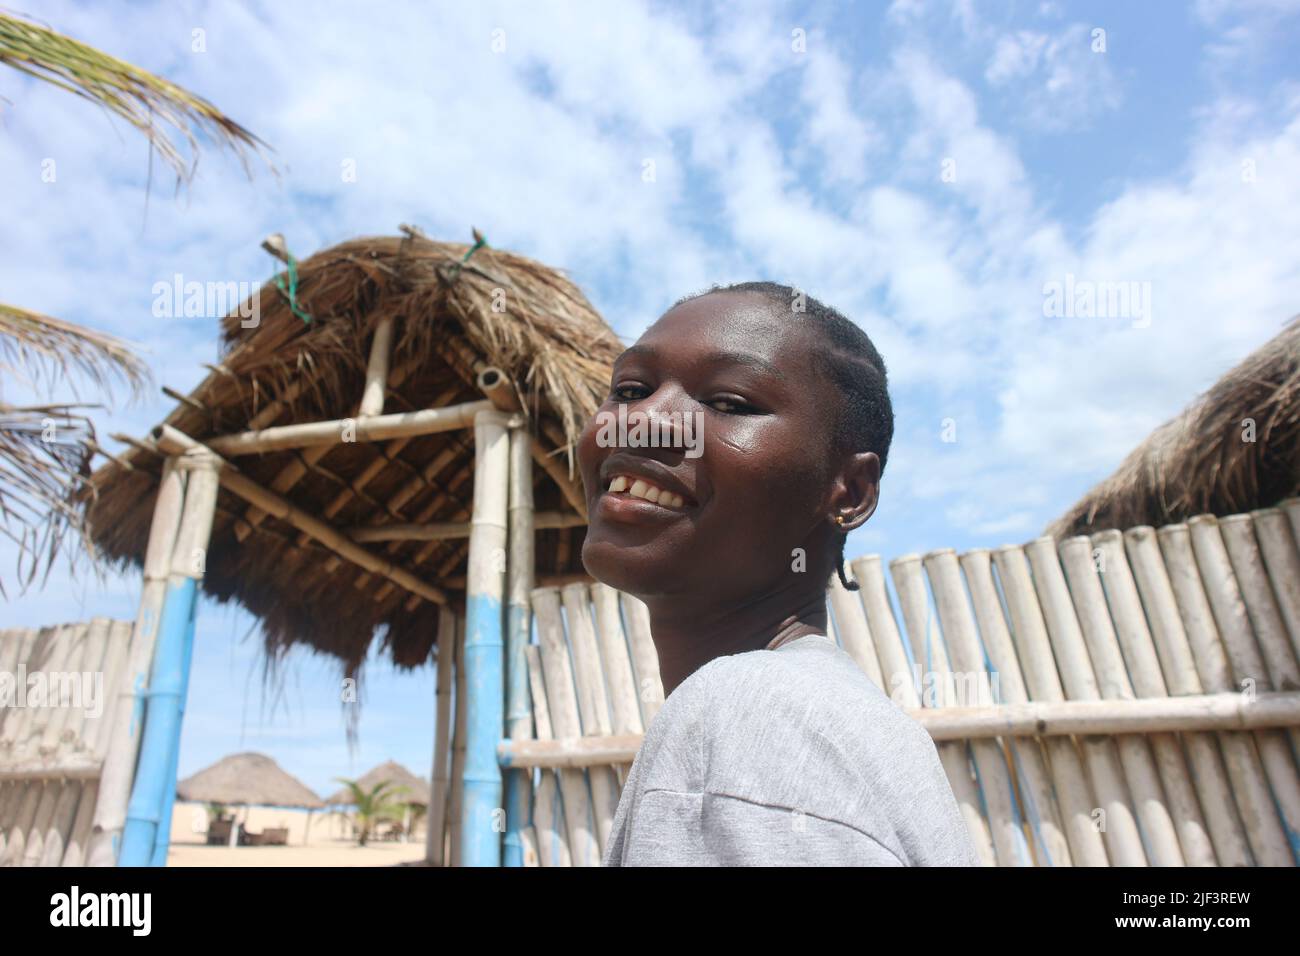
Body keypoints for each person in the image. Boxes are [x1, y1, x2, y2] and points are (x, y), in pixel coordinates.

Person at [576, 282, 980, 866]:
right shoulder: (820, 716)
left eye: (729, 403)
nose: (641, 420)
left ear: (850, 490)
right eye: (629, 390)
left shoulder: (749, 716)